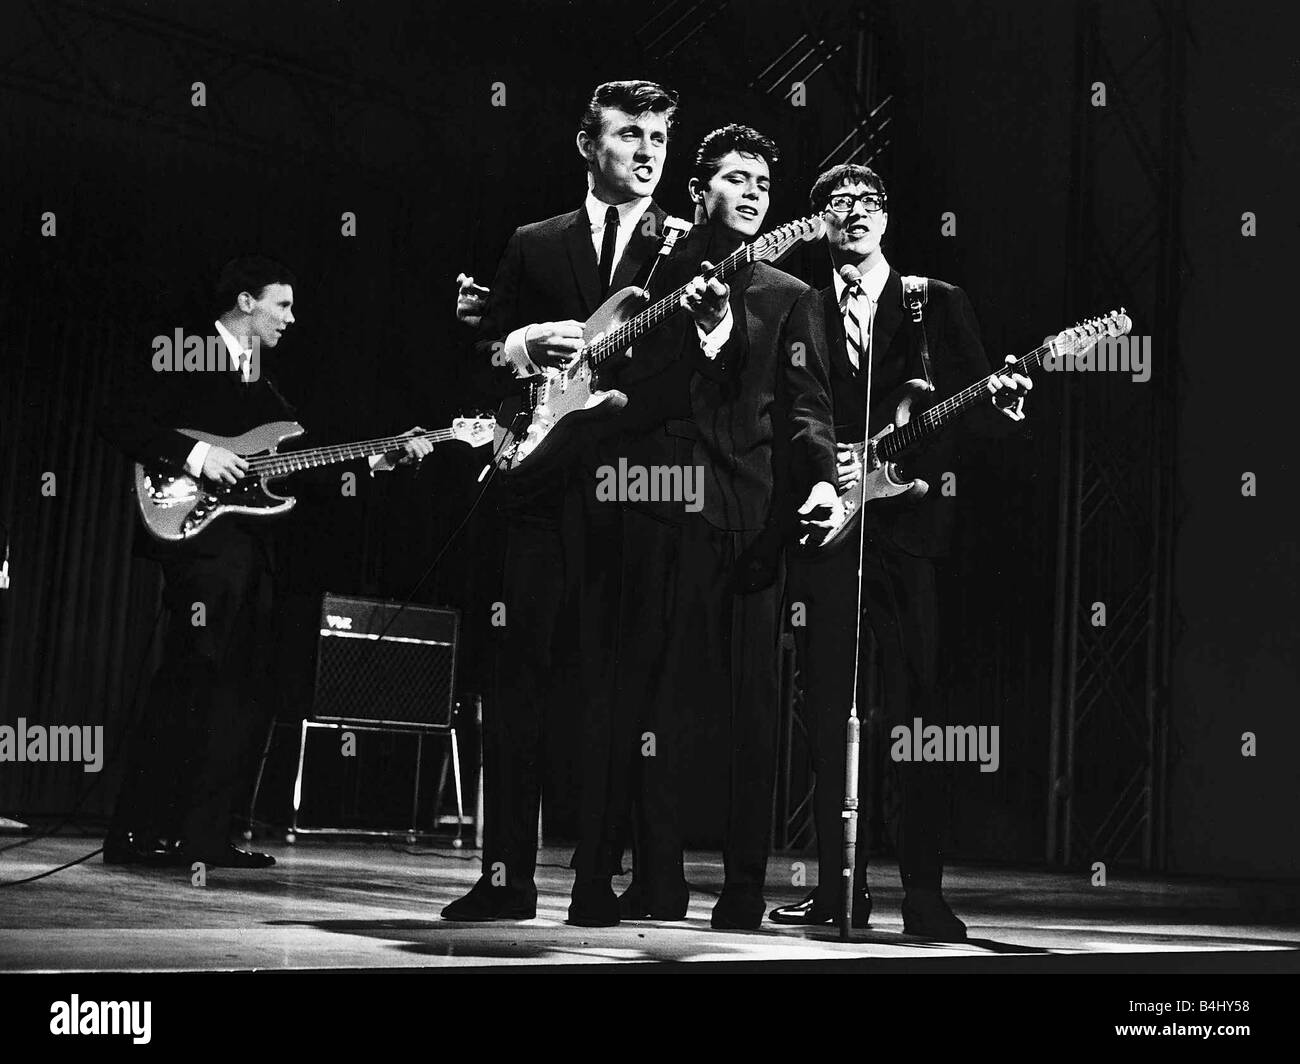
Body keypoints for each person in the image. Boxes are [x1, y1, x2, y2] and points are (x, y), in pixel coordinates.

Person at [569, 124, 843, 930]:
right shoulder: (651, 279)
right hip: (655, 511)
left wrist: (823, 480)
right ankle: (654, 880)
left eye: (763, 180)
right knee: (649, 705)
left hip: (747, 523)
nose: (754, 192)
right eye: (735, 178)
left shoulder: (792, 296)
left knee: (751, 714)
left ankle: (746, 889)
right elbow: (617, 380)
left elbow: (809, 409)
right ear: (699, 191)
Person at [98, 255, 429, 869]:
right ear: (246, 302)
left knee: (245, 688)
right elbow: (118, 417)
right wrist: (197, 456)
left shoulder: (266, 383)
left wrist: (381, 458)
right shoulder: (187, 349)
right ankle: (139, 830)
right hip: (199, 537)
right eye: (282, 305)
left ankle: (205, 835)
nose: (292, 318)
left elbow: (293, 465)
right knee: (194, 675)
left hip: (253, 552)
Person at [769, 165, 1030, 940]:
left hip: (913, 536)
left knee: (918, 713)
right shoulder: (803, 310)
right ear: (818, 222)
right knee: (825, 710)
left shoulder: (932, 302)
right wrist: (827, 474)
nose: (855, 215)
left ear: (887, 216)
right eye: (837, 205)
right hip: (831, 524)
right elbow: (803, 408)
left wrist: (1004, 399)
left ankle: (924, 893)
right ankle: (836, 889)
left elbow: (974, 403)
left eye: (870, 203)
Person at [442, 79, 680, 921]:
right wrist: (513, 343)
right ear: (589, 144)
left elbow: (704, 373)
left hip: (631, 492)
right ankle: (504, 878)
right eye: (629, 133)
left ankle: (595, 883)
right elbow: (477, 354)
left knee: (611, 694)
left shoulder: (680, 248)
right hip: (537, 492)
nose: (648, 149)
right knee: (516, 685)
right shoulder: (534, 243)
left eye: (658, 135)